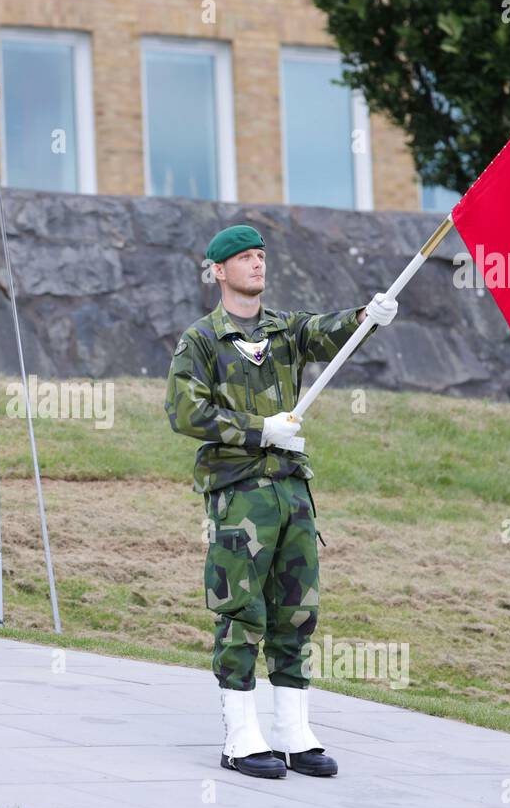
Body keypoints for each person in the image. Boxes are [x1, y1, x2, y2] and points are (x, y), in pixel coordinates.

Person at [165, 224, 396, 778]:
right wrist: (258, 429)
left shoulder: (284, 330)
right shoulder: (202, 340)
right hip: (240, 493)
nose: (256, 264)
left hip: (293, 490)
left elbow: (327, 332)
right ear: (217, 270)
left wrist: (367, 316)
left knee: (296, 612)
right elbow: (185, 413)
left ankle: (294, 732)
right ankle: (242, 736)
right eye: (243, 258)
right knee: (241, 611)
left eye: (260, 256)